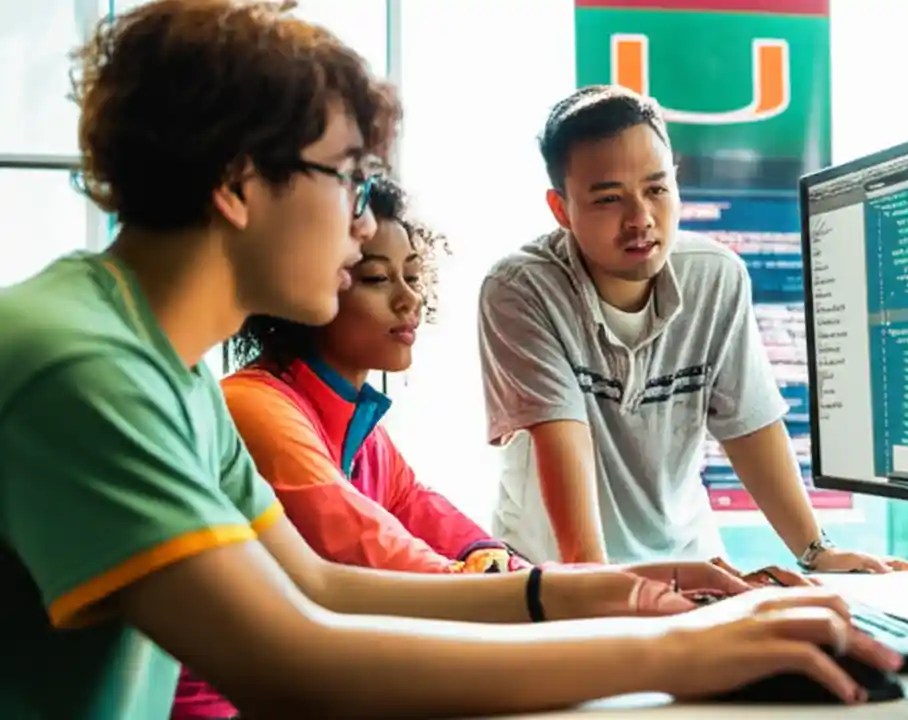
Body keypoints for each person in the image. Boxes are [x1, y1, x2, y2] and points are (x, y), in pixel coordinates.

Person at [0, 2, 900, 716]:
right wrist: (671, 650)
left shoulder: (171, 367)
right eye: (347, 177)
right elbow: (292, 664)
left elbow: (322, 586)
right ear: (239, 184)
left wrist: (622, 592)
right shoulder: (82, 366)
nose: (362, 224)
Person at [171, 177, 768, 719]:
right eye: (377, 278)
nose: (410, 300)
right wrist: (617, 608)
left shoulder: (359, 428)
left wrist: (614, 587)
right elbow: (386, 560)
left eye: (412, 275)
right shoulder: (258, 408)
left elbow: (439, 527)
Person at [479, 85, 908, 572]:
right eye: (609, 199)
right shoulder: (520, 289)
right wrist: (595, 586)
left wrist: (817, 553)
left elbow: (748, 426)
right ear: (561, 209)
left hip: (688, 565)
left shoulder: (715, 276)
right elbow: (563, 453)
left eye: (657, 189)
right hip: (554, 574)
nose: (640, 219)